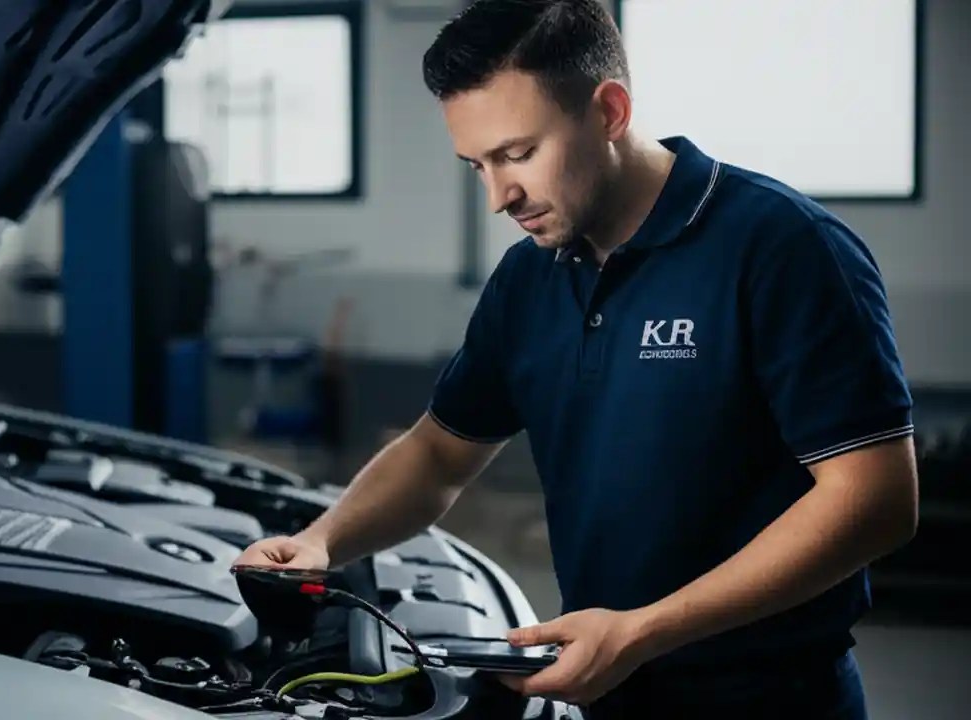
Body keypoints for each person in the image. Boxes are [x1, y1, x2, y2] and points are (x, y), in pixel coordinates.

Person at [232, 1, 919, 716]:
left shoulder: (783, 248)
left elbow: (874, 500)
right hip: (609, 689)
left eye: (518, 154)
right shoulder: (531, 277)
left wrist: (644, 631)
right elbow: (439, 451)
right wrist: (322, 541)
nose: (499, 197)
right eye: (477, 165)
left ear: (610, 112)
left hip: (770, 699)